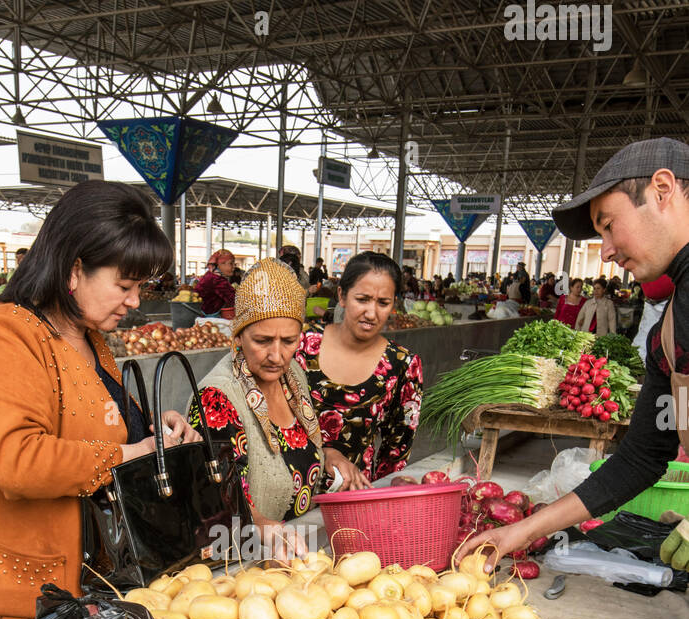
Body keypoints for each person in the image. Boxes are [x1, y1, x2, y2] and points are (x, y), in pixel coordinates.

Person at [0, 180, 200, 619]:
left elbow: (98, 423)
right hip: (15, 588)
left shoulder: (90, 340)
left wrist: (154, 432)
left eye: (140, 287)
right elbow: (13, 460)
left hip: (83, 580)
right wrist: (126, 456)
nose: (135, 301)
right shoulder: (6, 334)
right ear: (76, 269)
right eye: (124, 285)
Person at [457, 136, 689, 573]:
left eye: (608, 224)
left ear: (662, 189)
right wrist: (520, 531)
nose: (606, 251)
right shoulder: (669, 333)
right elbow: (640, 457)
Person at [188, 258, 329, 555]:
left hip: (295, 554)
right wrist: (263, 525)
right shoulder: (216, 397)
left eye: (289, 341)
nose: (277, 355)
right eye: (262, 340)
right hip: (240, 564)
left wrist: (334, 457)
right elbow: (215, 503)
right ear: (238, 335)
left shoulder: (294, 379)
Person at [294, 251, 423, 484]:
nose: (371, 313)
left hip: (352, 501)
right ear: (342, 296)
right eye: (362, 299)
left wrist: (380, 498)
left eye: (383, 303)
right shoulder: (301, 344)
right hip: (286, 495)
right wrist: (323, 452)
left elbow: (395, 453)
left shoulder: (403, 365)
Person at [195, 249, 235, 314]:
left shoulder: (210, 275)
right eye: (231, 263)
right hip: (206, 317)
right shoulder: (217, 280)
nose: (234, 267)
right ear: (220, 265)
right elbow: (234, 299)